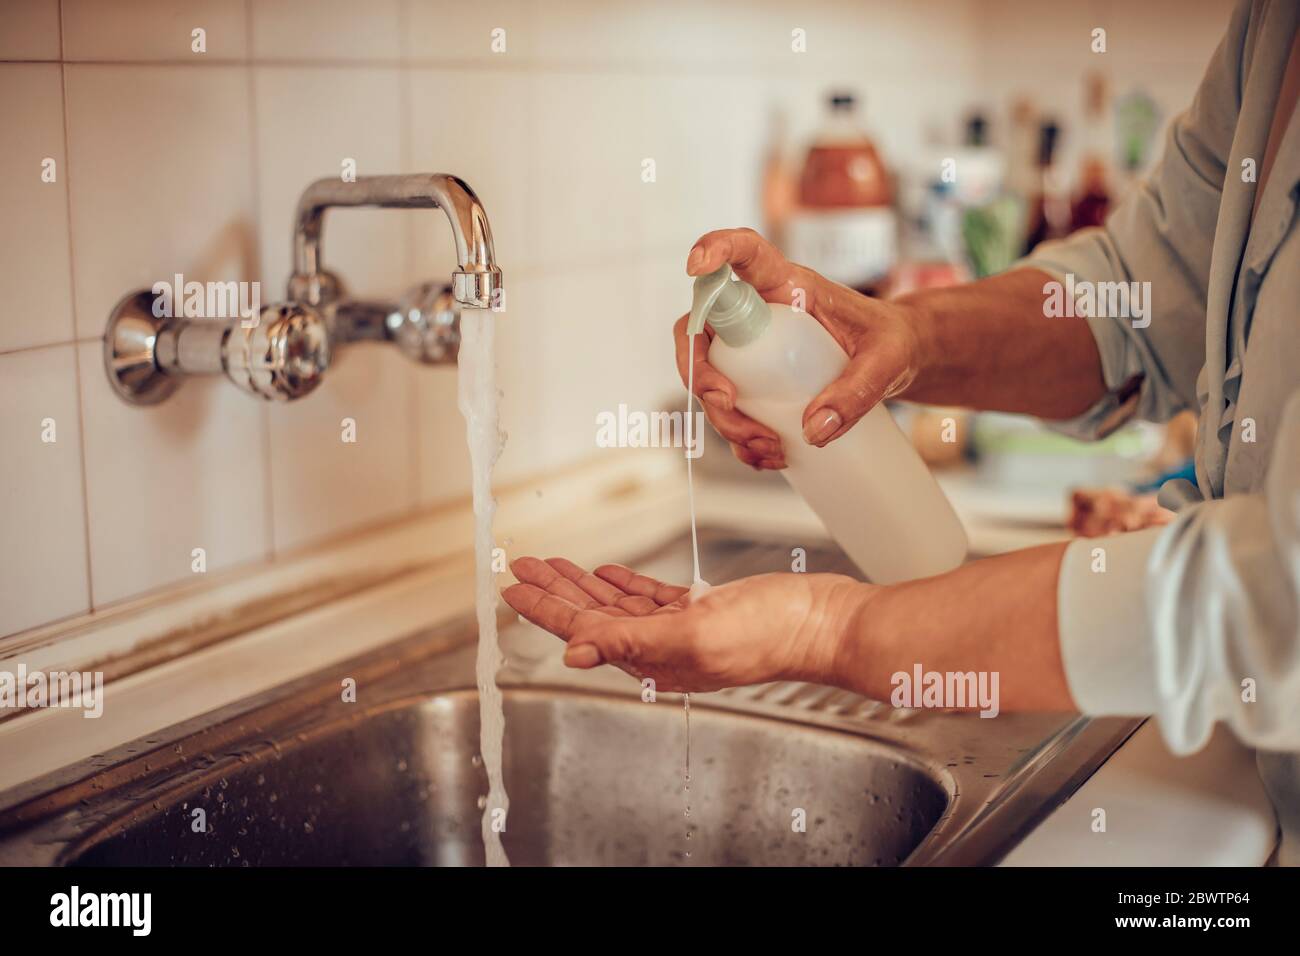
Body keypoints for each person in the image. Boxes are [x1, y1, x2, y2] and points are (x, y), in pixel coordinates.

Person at [503, 0, 1300, 864]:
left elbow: (1277, 592)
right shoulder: (1272, 28)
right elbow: (1146, 291)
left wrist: (827, 630)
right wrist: (905, 338)